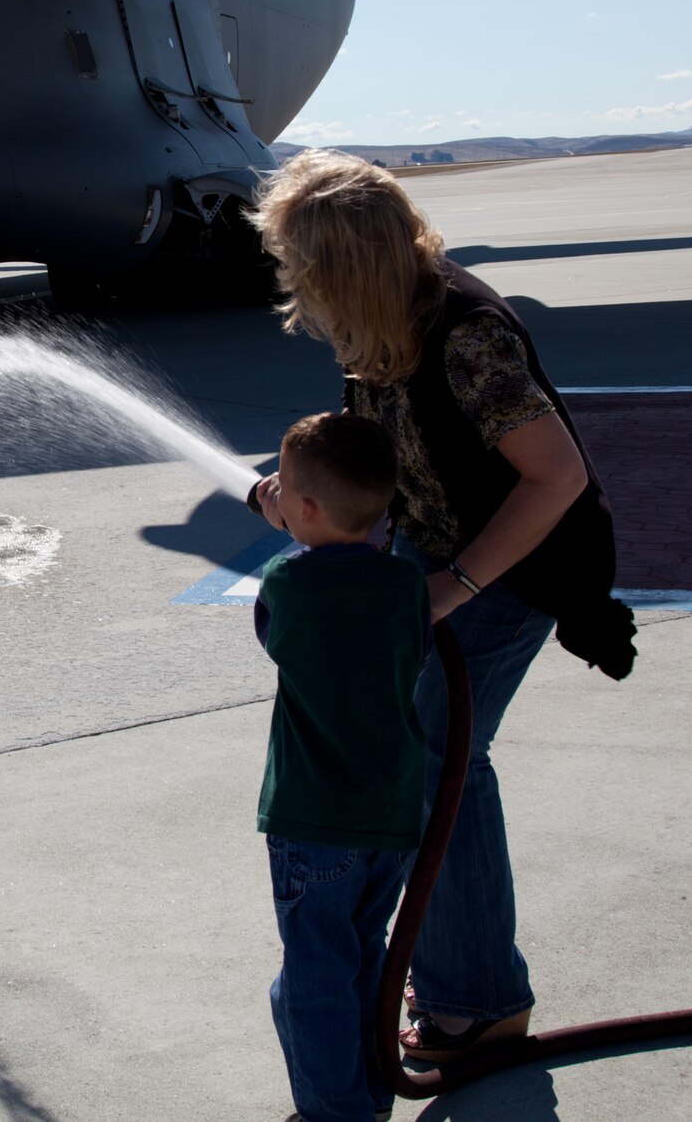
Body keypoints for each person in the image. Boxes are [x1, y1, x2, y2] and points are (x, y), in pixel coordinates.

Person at [249, 150, 634, 1065]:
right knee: (420, 753)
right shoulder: (377, 321)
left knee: (434, 759)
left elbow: (557, 477)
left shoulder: (466, 335)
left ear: (346, 266)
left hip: (513, 563)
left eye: (304, 264)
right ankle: (460, 971)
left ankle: (480, 1003)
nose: (295, 283)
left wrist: (451, 589)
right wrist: (306, 494)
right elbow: (388, 452)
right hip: (435, 550)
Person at [253, 412, 428, 1122]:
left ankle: (336, 1113)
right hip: (389, 815)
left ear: (305, 508)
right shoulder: (406, 585)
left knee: (314, 973)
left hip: (314, 817)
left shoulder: (287, 582)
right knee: (362, 948)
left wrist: (284, 527)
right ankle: (366, 1093)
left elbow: (274, 631)